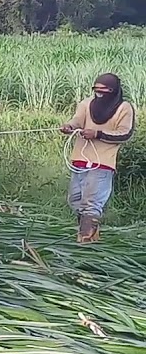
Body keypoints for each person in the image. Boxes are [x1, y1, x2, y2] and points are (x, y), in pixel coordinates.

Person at [59, 72, 134, 243]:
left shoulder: (124, 108)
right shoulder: (86, 104)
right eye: (96, 89)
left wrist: (97, 134)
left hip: (102, 163)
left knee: (91, 204)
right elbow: (77, 120)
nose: (99, 93)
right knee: (75, 200)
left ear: (113, 90)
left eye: (104, 90)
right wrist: (69, 126)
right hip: (79, 160)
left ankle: (85, 242)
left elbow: (124, 134)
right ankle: (91, 236)